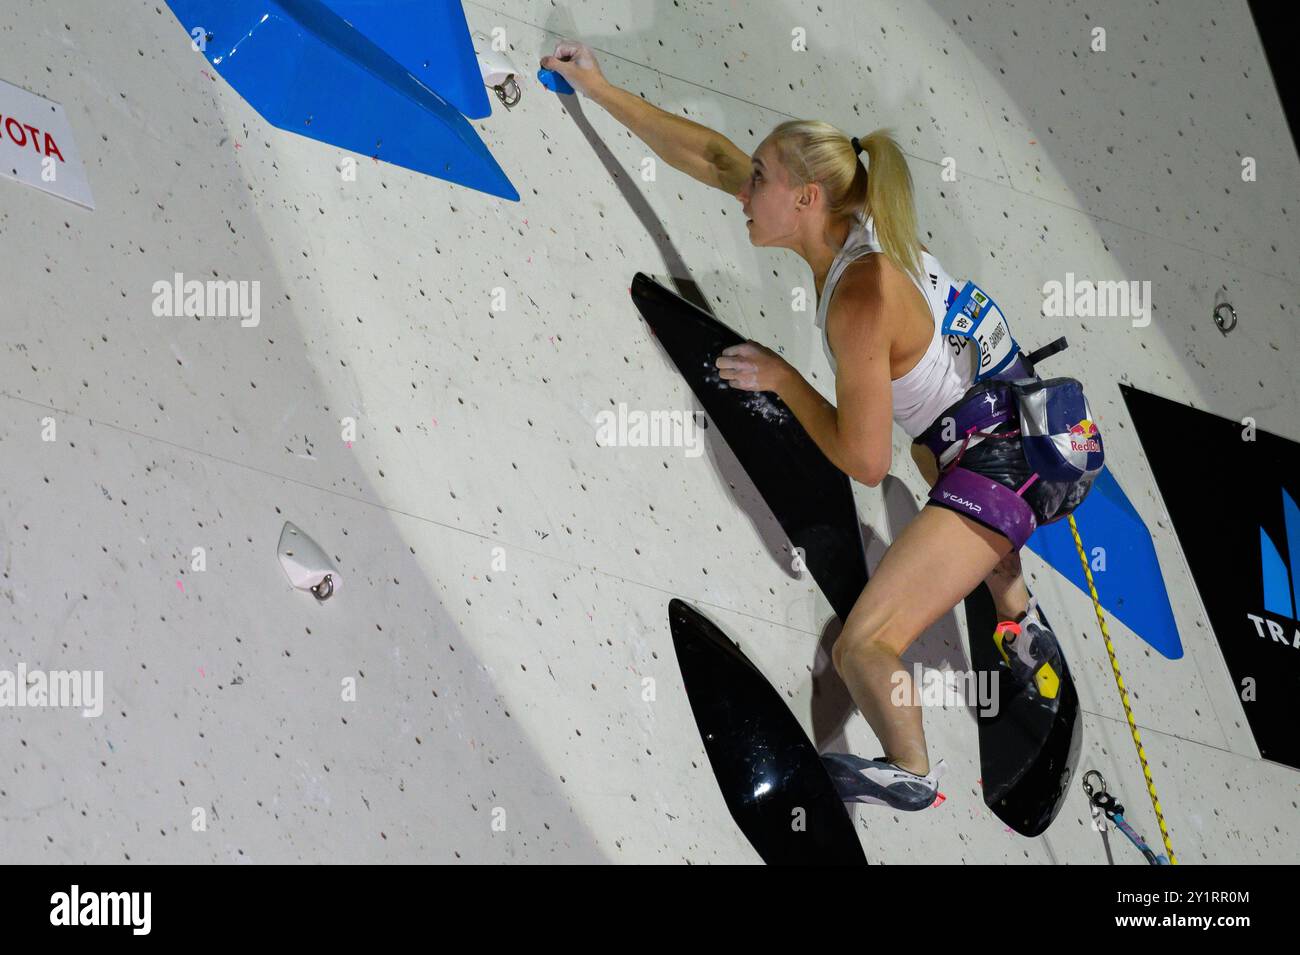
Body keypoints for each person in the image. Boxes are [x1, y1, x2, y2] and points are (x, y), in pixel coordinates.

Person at [541, 41, 1098, 812]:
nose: (747, 191)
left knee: (861, 645)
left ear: (805, 199)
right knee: (929, 453)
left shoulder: (858, 298)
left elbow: (863, 464)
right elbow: (711, 156)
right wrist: (600, 89)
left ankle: (913, 772)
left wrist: (782, 377)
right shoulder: (840, 216)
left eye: (762, 180)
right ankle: (1017, 617)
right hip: (1003, 420)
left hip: (1010, 457)